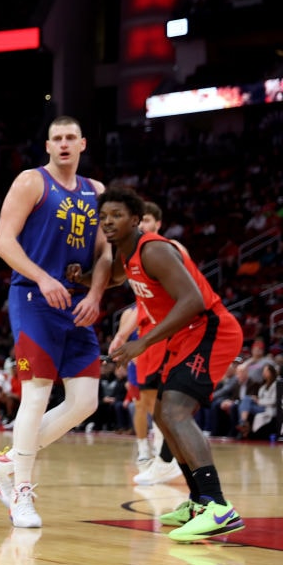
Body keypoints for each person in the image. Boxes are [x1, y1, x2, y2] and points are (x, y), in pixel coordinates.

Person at [0, 115, 110, 528]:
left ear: (83, 144)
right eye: (58, 138)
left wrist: (95, 294)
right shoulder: (32, 182)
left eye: (72, 137)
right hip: (33, 298)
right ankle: (21, 492)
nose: (65, 144)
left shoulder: (97, 191)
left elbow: (105, 254)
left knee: (86, 402)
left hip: (75, 304)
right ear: (48, 146)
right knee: (35, 394)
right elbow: (3, 242)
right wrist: (42, 276)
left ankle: (5, 463)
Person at [99, 187, 244, 541]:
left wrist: (143, 342)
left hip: (210, 329)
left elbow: (193, 300)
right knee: (163, 414)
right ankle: (198, 501)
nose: (108, 222)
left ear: (135, 219)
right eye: (103, 217)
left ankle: (218, 506)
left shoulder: (155, 249)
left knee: (176, 412)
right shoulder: (126, 255)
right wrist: (82, 279)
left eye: (116, 215)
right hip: (184, 336)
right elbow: (114, 278)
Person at [110, 202, 187, 483]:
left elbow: (190, 295)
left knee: (171, 400)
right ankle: (153, 453)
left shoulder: (166, 249)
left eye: (148, 221)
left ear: (158, 224)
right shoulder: (136, 257)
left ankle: (165, 456)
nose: (142, 226)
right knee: (148, 400)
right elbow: (138, 305)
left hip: (171, 333)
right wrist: (120, 336)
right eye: (139, 221)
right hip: (148, 338)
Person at [238, 362, 279, 440]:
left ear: (271, 372)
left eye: (266, 371)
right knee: (246, 399)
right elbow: (260, 398)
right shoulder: (263, 386)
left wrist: (258, 401)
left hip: (269, 408)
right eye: (263, 371)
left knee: (246, 401)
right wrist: (255, 399)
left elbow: (274, 401)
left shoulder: (276, 384)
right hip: (261, 407)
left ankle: (243, 423)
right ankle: (244, 424)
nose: (263, 373)